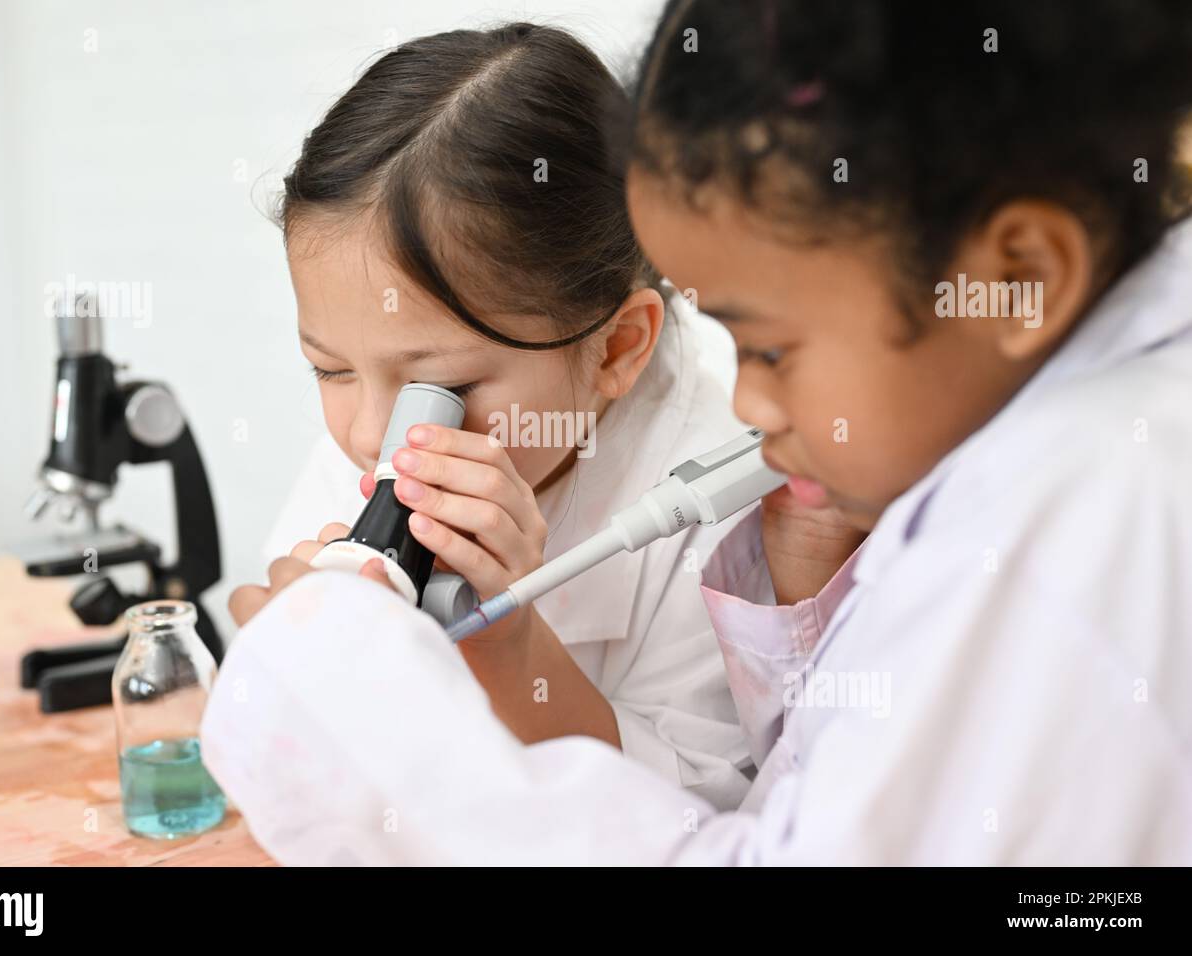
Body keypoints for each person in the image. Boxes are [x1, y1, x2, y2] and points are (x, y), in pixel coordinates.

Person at [203, 0, 1192, 863]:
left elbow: (726, 813)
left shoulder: (1072, 513)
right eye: (327, 369)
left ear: (1016, 272)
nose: (752, 409)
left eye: (765, 345)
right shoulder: (1043, 462)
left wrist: (358, 713)